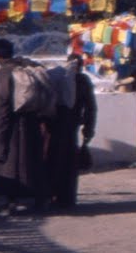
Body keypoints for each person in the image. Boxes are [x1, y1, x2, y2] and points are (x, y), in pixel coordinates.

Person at [0, 38, 47, 216]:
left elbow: (2, 104)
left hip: (12, 125)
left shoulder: (4, 73)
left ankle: (10, 202)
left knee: (9, 164)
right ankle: (39, 200)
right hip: (31, 122)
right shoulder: (25, 67)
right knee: (30, 162)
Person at [45, 54, 97, 211]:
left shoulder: (57, 78)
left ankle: (51, 195)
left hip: (53, 126)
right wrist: (89, 129)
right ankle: (67, 198)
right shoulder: (83, 81)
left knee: (53, 161)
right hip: (72, 127)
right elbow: (90, 107)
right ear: (81, 66)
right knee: (69, 165)